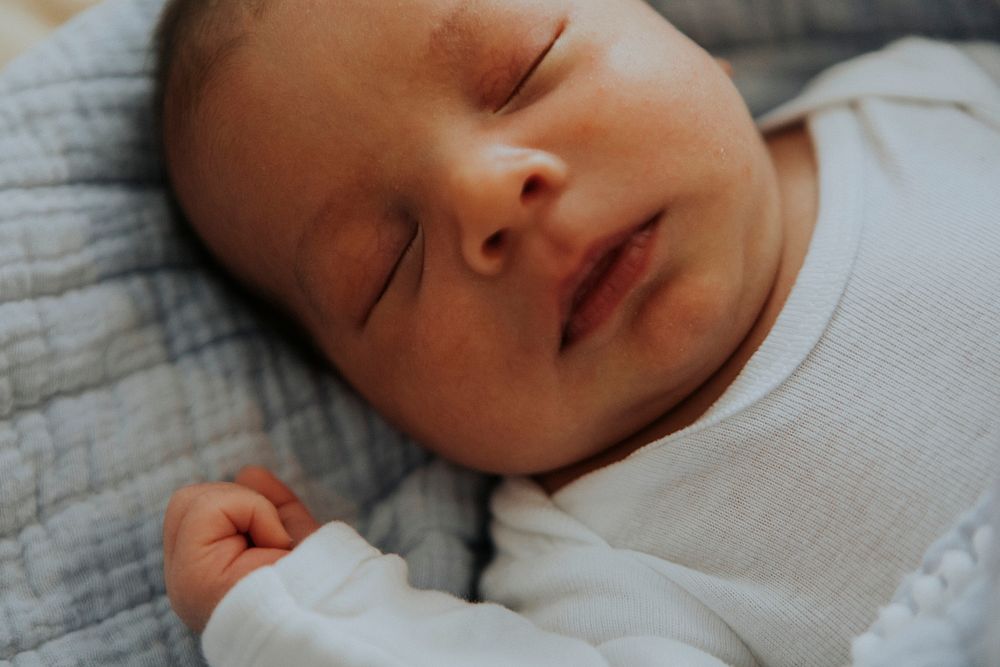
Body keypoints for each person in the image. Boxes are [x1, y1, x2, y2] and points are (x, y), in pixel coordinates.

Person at [155, 0, 1000, 664]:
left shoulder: (918, 98)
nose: (489, 193)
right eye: (390, 262)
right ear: (384, 407)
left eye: (524, 71)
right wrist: (312, 613)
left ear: (682, 36)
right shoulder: (593, 565)